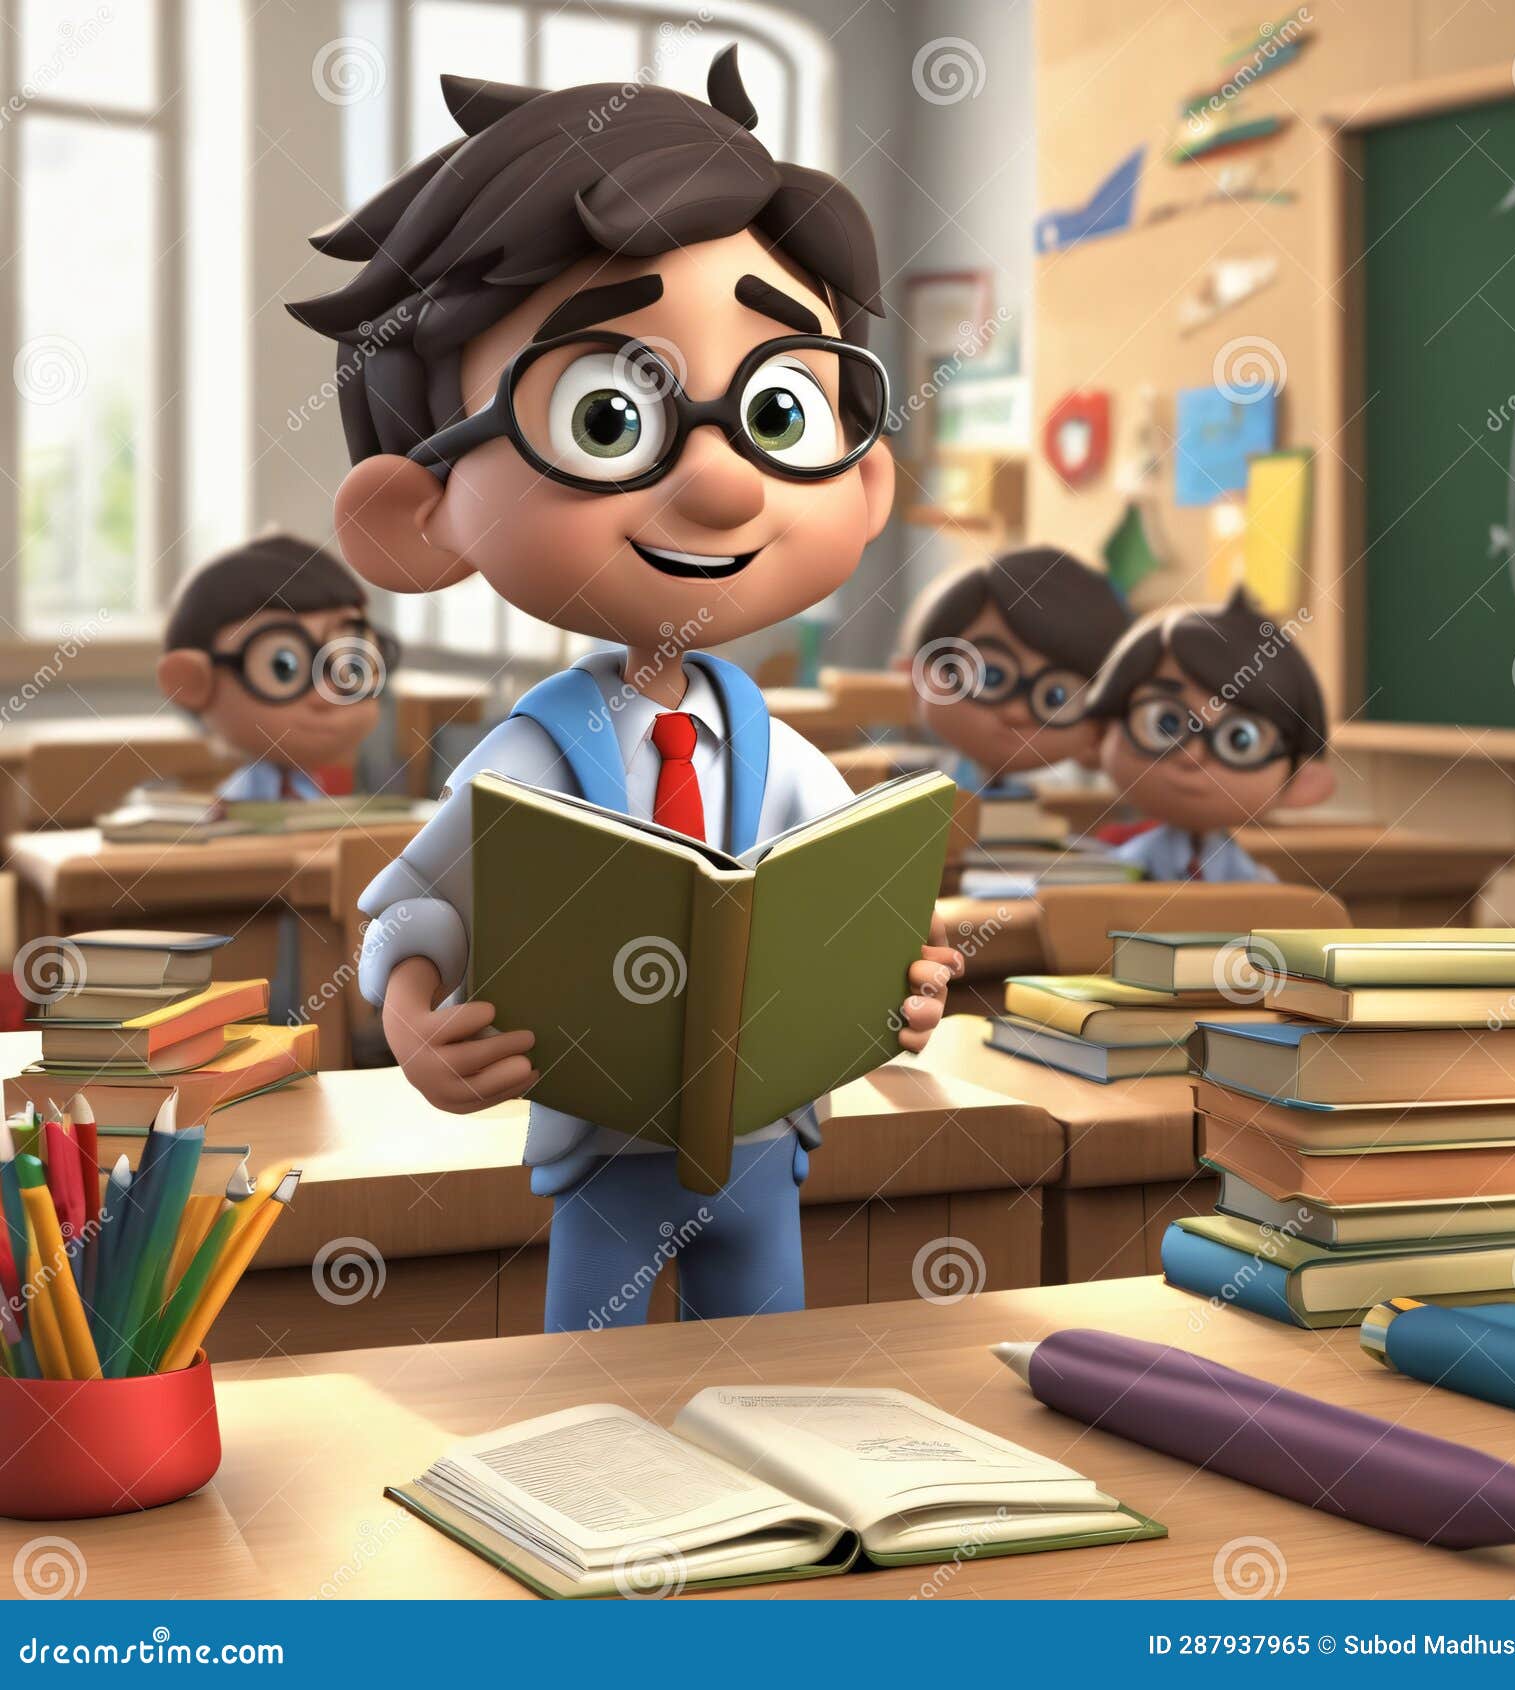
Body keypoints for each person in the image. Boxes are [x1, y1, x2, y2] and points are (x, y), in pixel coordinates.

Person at [289, 49, 960, 1333]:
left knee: (767, 1350)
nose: (722, 486)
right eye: (611, 415)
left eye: (779, 411)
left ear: (863, 481)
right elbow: (410, 917)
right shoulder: (532, 754)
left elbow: (856, 899)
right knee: (583, 1366)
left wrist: (901, 987)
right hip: (607, 1132)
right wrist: (416, 1029)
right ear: (415, 512)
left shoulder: (779, 751)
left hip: (769, 1128)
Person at [1082, 587, 1335, 881]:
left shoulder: (1253, 883)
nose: (1192, 756)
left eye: (1240, 740)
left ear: (1303, 780)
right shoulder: (1120, 870)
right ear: (1098, 735)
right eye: (1166, 724)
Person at [157, 533, 397, 800]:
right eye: (283, 667)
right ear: (190, 680)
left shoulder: (358, 781)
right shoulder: (240, 798)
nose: (325, 695)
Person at [902, 547, 1130, 791]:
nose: (1016, 713)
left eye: (1056, 697)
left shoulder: (1079, 789)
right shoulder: (926, 773)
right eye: (990, 676)